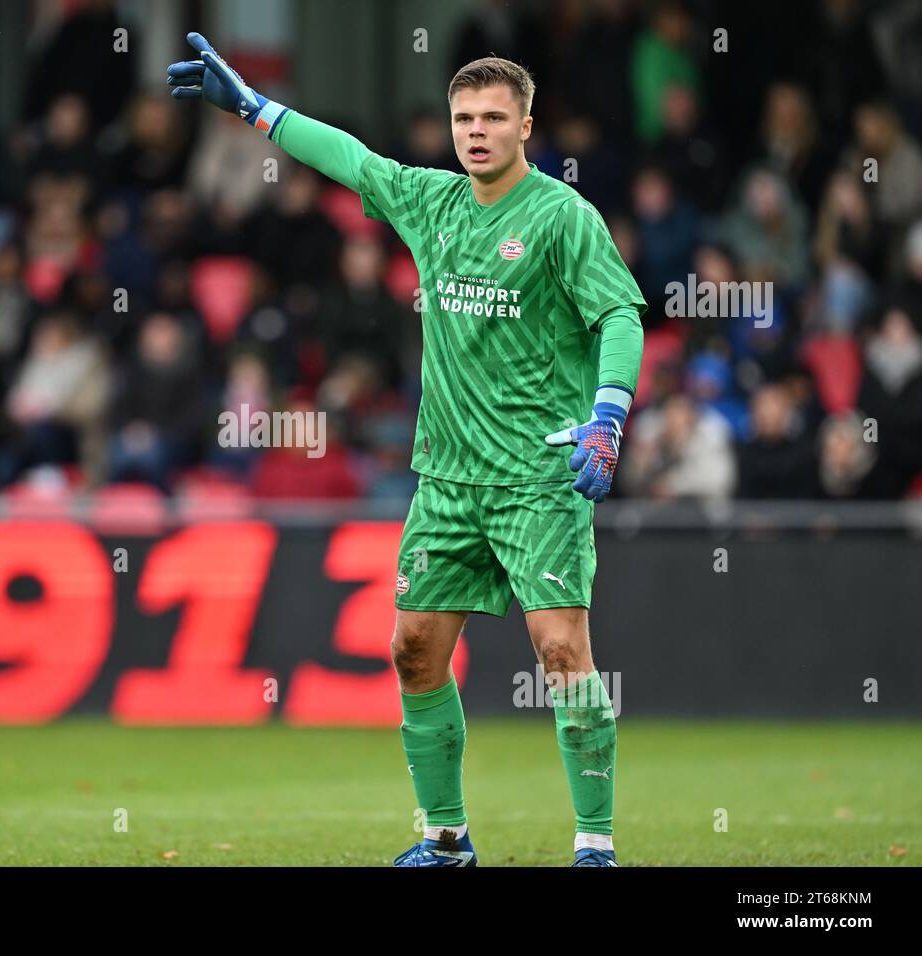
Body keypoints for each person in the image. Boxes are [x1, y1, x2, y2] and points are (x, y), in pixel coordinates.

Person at [168, 34, 645, 867]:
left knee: (562, 652)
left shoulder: (564, 218)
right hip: (447, 481)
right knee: (412, 647)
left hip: (539, 474)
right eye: (465, 117)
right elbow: (350, 159)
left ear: (527, 126)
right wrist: (253, 108)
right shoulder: (431, 201)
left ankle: (595, 846)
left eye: (495, 117)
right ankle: (447, 838)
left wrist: (607, 417)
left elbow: (620, 318)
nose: (476, 131)